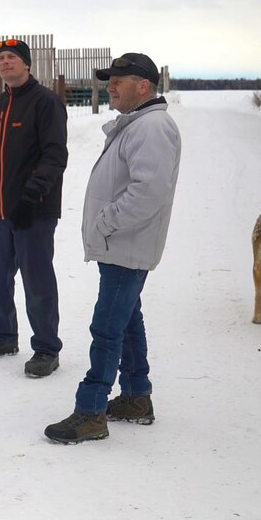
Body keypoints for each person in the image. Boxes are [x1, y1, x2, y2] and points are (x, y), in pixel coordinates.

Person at [45, 53, 181, 444]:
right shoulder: (138, 124)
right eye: (110, 79)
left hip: (126, 244)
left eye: (118, 80)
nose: (111, 86)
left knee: (107, 327)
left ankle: (90, 412)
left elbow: (148, 192)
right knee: (127, 320)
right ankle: (137, 397)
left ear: (144, 86)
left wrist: (106, 221)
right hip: (121, 245)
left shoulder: (152, 127)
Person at [0, 38, 69, 377]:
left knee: (36, 279)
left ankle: (46, 348)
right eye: (1, 58)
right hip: (0, 210)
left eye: (12, 57)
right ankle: (3, 335)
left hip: (33, 211)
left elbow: (55, 156)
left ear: (27, 64)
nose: (5, 62)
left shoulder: (46, 103)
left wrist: (31, 198)